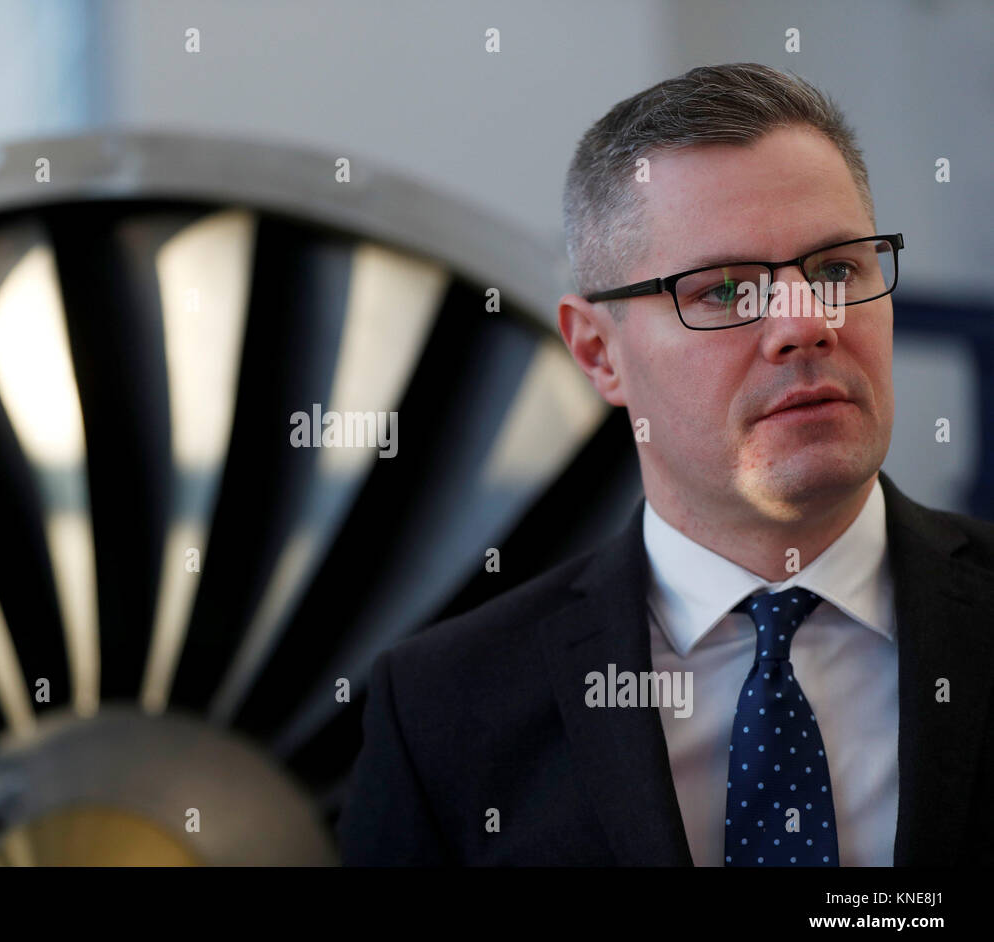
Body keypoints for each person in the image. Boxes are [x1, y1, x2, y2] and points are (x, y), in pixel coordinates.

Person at [336, 62, 994, 866]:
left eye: (834, 269)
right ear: (598, 352)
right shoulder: (443, 710)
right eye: (722, 291)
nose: (806, 324)